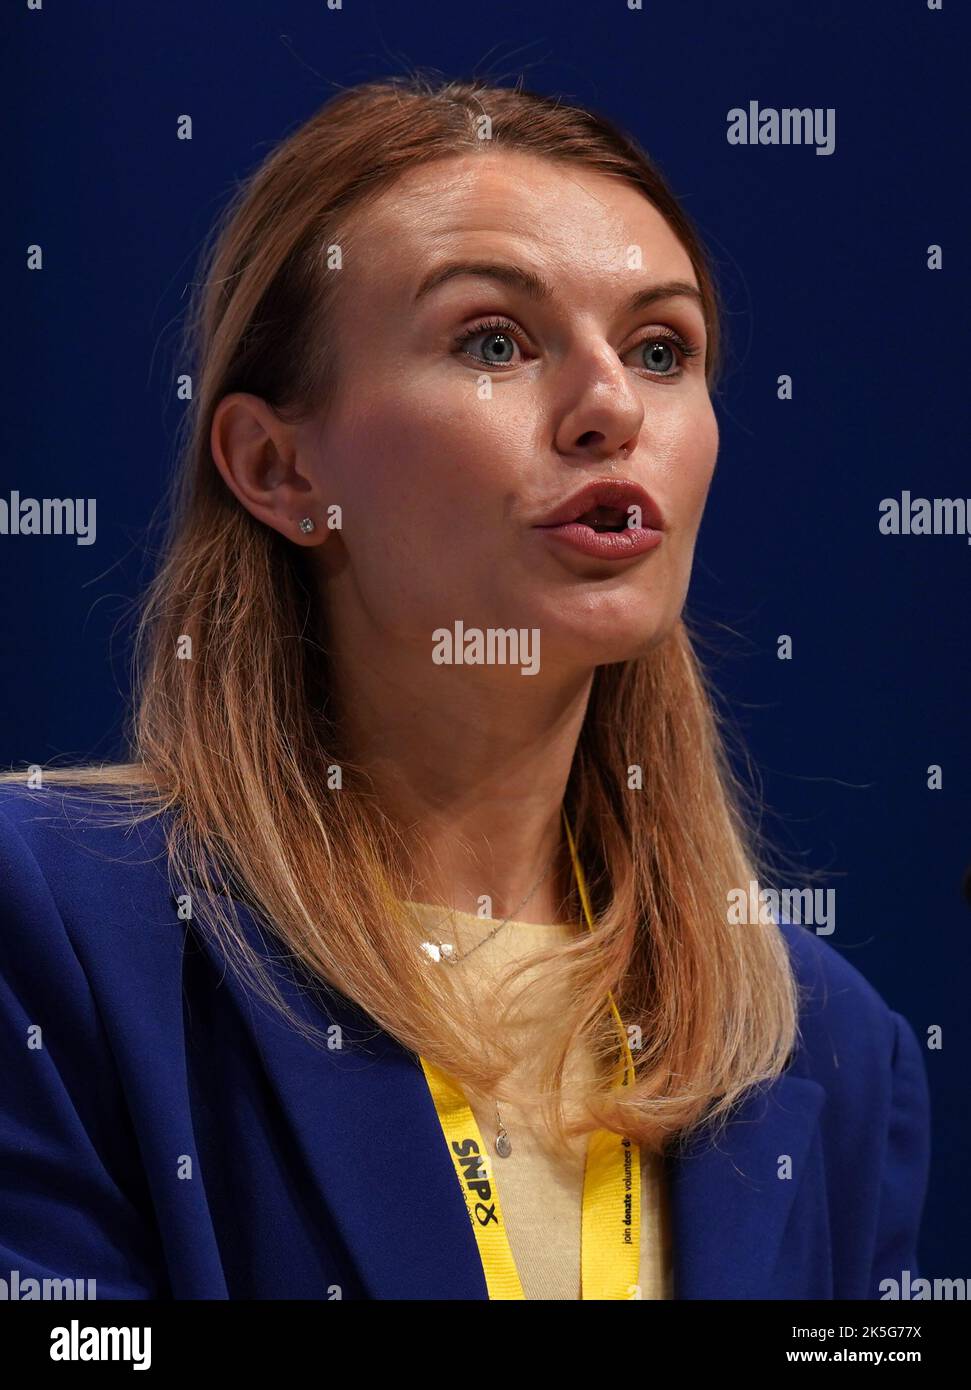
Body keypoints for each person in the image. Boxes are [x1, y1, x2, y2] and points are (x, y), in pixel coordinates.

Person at [0, 74, 930, 1301]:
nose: (610, 407)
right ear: (278, 469)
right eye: (493, 339)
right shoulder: (54, 921)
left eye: (661, 349)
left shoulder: (832, 1043)